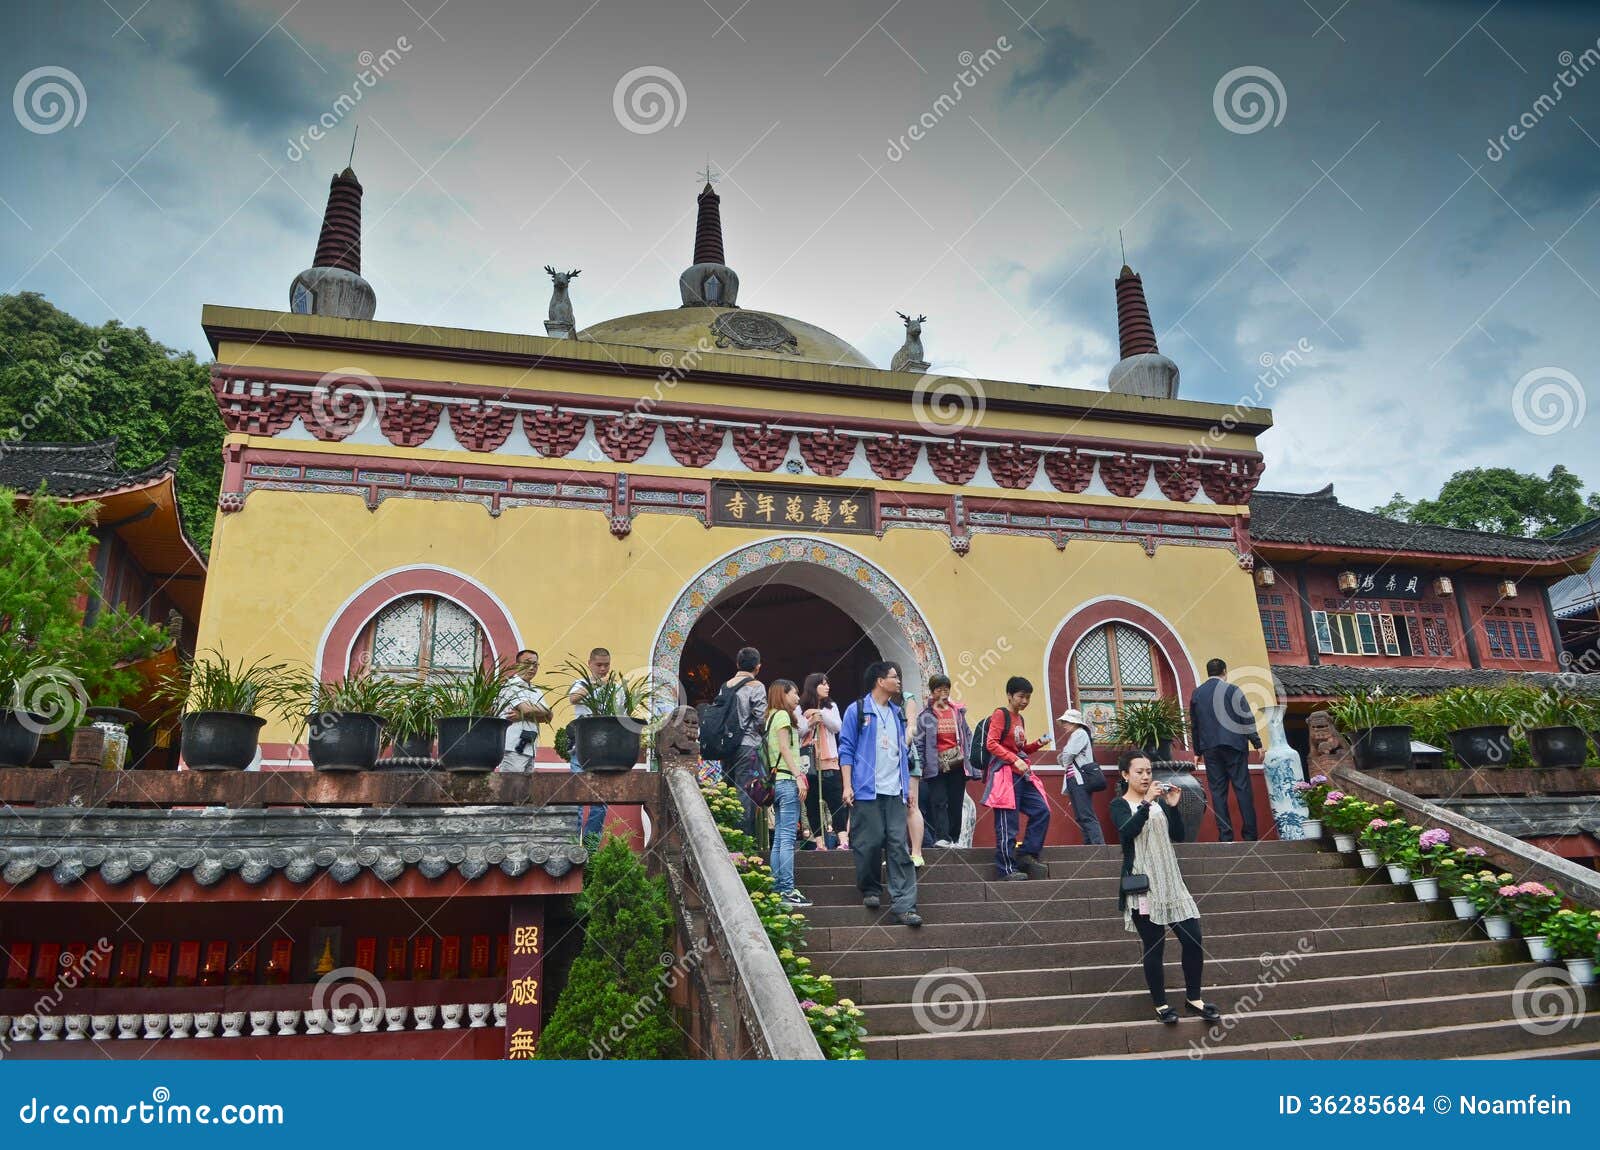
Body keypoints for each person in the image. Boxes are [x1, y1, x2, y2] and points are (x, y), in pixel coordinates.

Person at [1111, 749, 1220, 1024]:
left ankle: (1193, 998)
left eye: (1148, 771)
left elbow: (1179, 836)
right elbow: (1126, 833)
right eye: (1139, 772)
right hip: (1143, 885)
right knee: (1154, 945)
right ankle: (1160, 1004)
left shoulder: (1158, 802)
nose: (1146, 776)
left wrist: (1171, 806)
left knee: (1193, 938)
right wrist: (1146, 803)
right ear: (1125, 775)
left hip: (1172, 881)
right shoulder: (1120, 804)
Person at [837, 661, 921, 927]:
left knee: (898, 846)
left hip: (894, 791)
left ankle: (905, 906)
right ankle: (871, 888)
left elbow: (901, 754)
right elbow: (846, 749)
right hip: (866, 790)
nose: (898, 682)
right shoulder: (857, 710)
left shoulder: (897, 713)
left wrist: (906, 786)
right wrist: (847, 785)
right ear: (879, 680)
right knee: (869, 843)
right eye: (895, 677)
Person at [980, 676, 1052, 880]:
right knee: (1007, 824)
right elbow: (991, 743)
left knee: (1042, 810)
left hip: (1021, 774)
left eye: (1028, 697)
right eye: (1021, 696)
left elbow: (1021, 749)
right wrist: (1013, 759)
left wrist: (1038, 743)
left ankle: (1027, 853)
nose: (1025, 701)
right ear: (1010, 695)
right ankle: (1006, 869)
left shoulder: (1021, 719)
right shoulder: (1000, 714)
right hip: (1004, 775)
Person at [1188, 658, 1263, 842]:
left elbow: (1195, 725)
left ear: (1208, 672)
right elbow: (1246, 718)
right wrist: (1257, 743)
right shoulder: (1232, 690)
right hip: (1234, 745)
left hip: (1210, 749)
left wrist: (1197, 751)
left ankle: (1225, 836)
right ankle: (1250, 835)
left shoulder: (1197, 694)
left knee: (1217, 792)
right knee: (1242, 789)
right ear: (1224, 671)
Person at [763, 679, 812, 908]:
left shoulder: (770, 716)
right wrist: (799, 776)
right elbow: (785, 747)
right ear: (784, 694)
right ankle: (787, 889)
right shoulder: (782, 716)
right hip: (786, 780)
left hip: (777, 782)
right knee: (787, 838)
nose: (797, 697)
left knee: (780, 839)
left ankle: (777, 886)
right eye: (794, 693)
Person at [915, 674, 970, 848]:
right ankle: (942, 837)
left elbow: (967, 735)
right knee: (938, 801)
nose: (943, 692)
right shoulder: (926, 716)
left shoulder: (957, 712)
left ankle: (954, 838)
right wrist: (921, 766)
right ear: (932, 692)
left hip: (956, 763)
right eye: (939, 689)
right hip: (935, 765)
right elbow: (919, 742)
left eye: (946, 688)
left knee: (956, 801)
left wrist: (969, 758)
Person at [566, 646, 613, 844]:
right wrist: (594, 683)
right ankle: (573, 845)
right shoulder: (582, 682)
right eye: (599, 665)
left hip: (603, 748)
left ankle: (590, 846)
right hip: (582, 746)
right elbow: (573, 698)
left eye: (606, 665)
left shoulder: (611, 687)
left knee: (600, 801)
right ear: (590, 664)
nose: (603, 669)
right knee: (578, 796)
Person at [722, 647, 767, 837]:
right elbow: (760, 719)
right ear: (758, 667)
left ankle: (727, 835)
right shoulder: (756, 686)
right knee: (745, 792)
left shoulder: (726, 685)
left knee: (729, 790)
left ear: (737, 664)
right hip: (748, 745)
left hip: (726, 747)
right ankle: (743, 841)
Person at [800, 673, 845, 850]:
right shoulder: (800, 708)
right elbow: (797, 732)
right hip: (809, 762)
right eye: (822, 684)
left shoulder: (831, 706)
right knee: (811, 804)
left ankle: (843, 840)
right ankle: (819, 842)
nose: (827, 686)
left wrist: (821, 714)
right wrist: (810, 721)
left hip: (829, 761)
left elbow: (836, 727)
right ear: (813, 686)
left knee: (835, 801)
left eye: (827, 683)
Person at [497, 649, 553, 773]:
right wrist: (539, 711)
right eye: (528, 663)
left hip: (530, 748)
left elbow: (549, 717)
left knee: (526, 789)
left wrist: (522, 716)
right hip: (513, 747)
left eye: (535, 664)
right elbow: (526, 709)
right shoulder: (510, 685)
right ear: (518, 665)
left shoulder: (536, 690)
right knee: (512, 787)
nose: (532, 668)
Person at [1055, 708, 1106, 845]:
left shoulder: (1080, 733)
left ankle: (1097, 846)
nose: (1064, 724)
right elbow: (1064, 757)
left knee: (1085, 814)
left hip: (1079, 780)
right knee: (1080, 815)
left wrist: (1063, 759)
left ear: (1074, 722)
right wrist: (1063, 758)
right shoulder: (1077, 734)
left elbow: (1067, 755)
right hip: (1074, 779)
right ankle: (1089, 845)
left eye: (1066, 721)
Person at [901, 691, 928, 867]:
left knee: (912, 804)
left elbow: (912, 726)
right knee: (893, 808)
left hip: (906, 756)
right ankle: (899, 852)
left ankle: (916, 853)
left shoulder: (907, 698)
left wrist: (902, 747)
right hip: (884, 761)